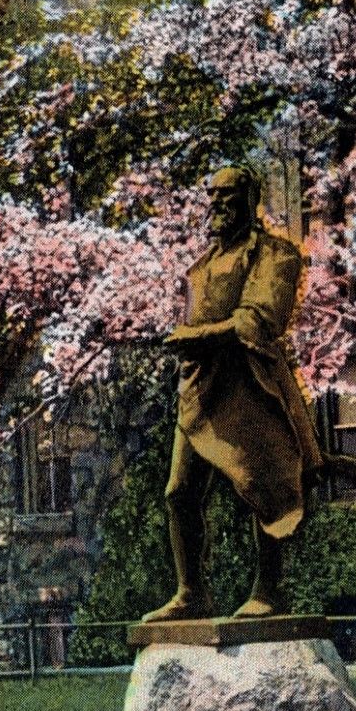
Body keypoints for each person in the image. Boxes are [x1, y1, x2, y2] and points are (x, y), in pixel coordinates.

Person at [143, 166, 321, 622]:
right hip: (201, 389)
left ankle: (269, 589)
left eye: (227, 195)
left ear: (249, 199)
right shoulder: (203, 264)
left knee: (265, 485)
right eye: (212, 195)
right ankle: (191, 593)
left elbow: (259, 319)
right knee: (179, 492)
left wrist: (198, 336)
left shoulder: (275, 254)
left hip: (250, 383)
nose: (217, 204)